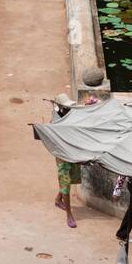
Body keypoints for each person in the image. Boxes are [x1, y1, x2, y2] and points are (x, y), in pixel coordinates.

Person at [51, 94, 77, 229]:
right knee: (66, 183)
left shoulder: (70, 114)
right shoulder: (56, 121)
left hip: (72, 153)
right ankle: (69, 214)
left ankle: (58, 199)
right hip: (62, 156)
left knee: (70, 178)